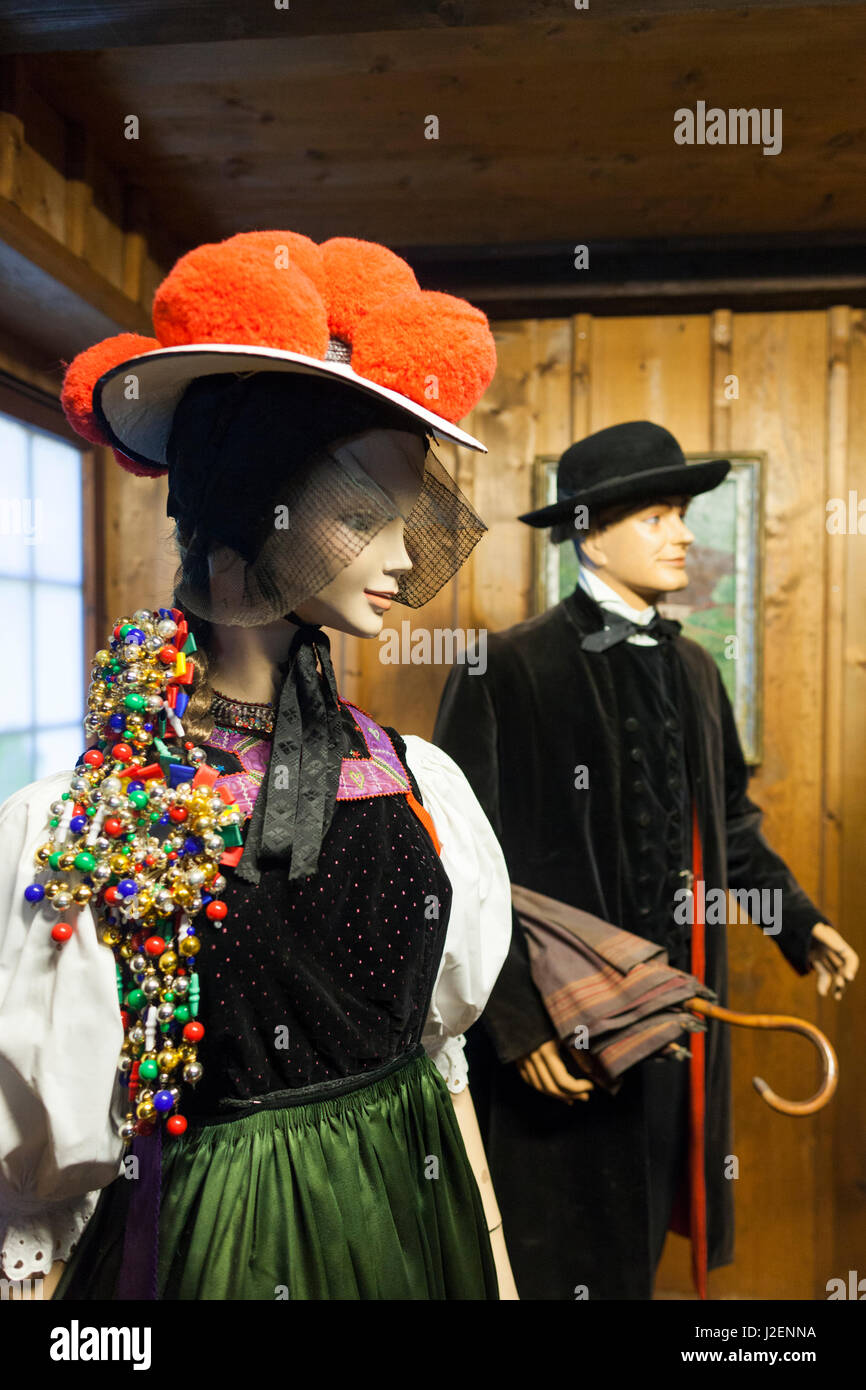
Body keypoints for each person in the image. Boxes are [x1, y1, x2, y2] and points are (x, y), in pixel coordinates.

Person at [0, 229, 518, 1300]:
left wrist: (497, 1263)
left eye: (406, 515)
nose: (401, 556)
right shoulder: (97, 822)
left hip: (419, 1225)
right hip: (224, 1248)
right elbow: (42, 1186)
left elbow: (439, 1057)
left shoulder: (414, 781)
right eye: (362, 516)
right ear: (249, 510)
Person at [433, 420, 858, 1300]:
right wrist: (516, 1026)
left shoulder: (696, 671)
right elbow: (459, 868)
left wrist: (800, 921)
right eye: (660, 514)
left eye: (685, 513)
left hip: (668, 1033)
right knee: (551, 1256)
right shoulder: (501, 667)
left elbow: (729, 828)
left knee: (637, 1258)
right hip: (556, 1039)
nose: (685, 534)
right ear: (589, 528)